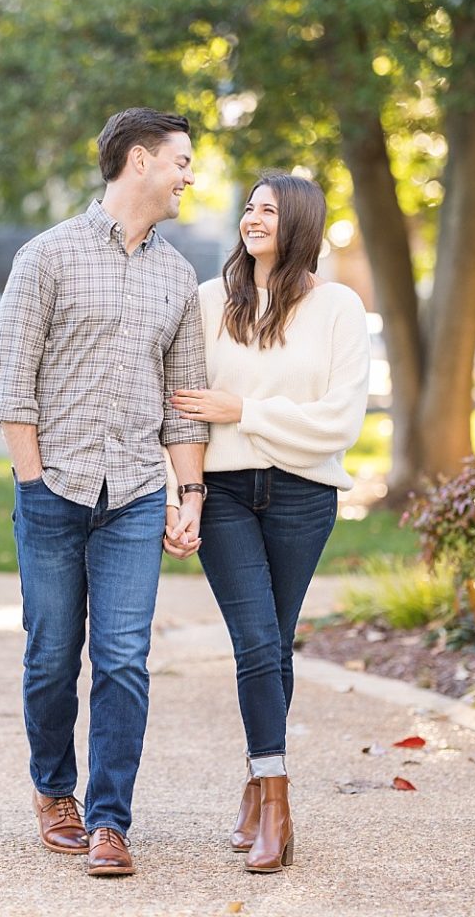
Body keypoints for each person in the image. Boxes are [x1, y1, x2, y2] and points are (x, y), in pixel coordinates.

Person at [0, 107, 211, 877]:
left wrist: (190, 496)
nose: (190, 176)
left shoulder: (178, 277)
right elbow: (11, 386)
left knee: (123, 658)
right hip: (55, 491)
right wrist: (34, 480)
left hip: (137, 496)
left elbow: (185, 398)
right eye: (182, 161)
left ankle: (110, 821)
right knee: (52, 655)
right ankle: (55, 794)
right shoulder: (46, 257)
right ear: (141, 162)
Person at [163, 171, 370, 874]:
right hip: (221, 493)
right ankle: (277, 804)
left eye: (270, 210)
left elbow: (338, 422)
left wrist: (244, 412)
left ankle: (255, 784)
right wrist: (179, 492)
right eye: (249, 208)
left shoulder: (339, 307)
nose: (253, 219)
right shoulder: (206, 302)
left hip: (305, 496)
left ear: (301, 224)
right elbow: (182, 406)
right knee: (254, 642)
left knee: (275, 643)